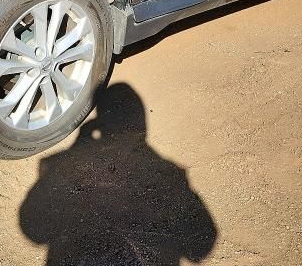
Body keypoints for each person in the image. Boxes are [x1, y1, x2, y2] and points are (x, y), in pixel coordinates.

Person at [19, 83, 217, 265]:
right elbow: (200, 246)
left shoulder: (58, 166)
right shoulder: (169, 174)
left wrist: (76, 148)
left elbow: (34, 229)